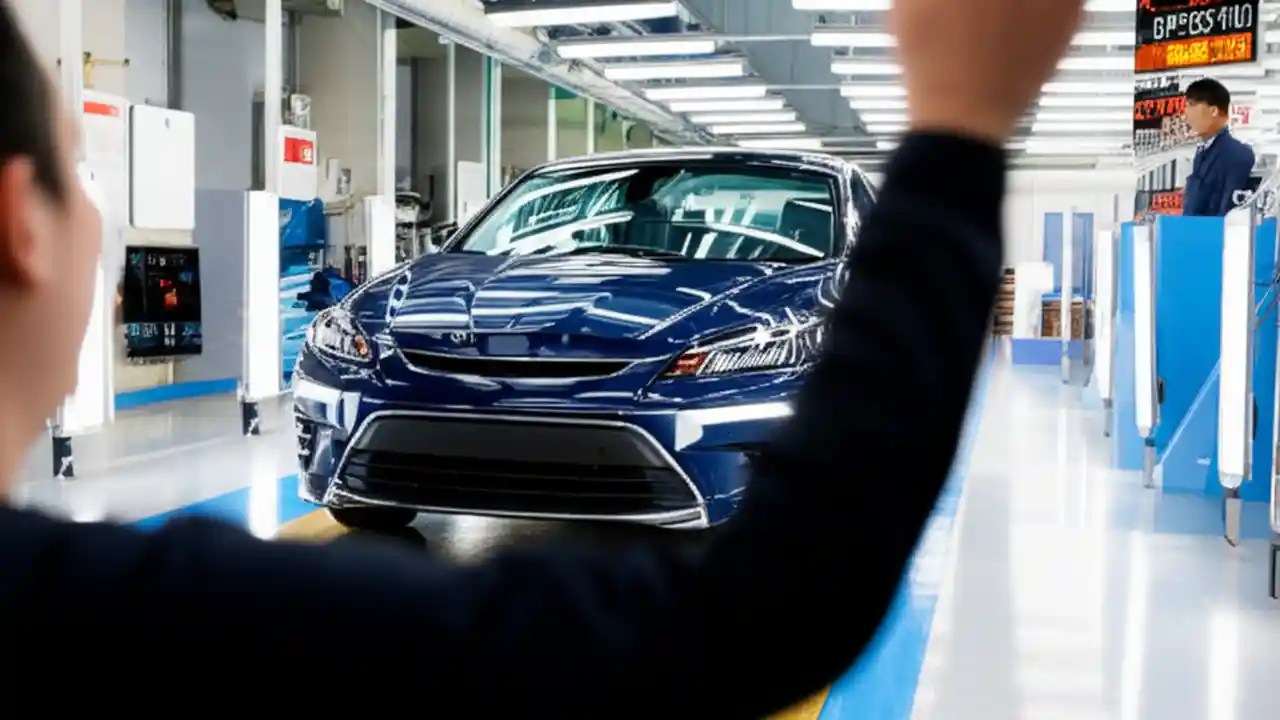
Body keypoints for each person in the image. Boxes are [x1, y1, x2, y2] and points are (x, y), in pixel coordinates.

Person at [0, 0, 1085, 712]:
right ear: (23, 224)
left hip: (680, 372)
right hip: (413, 373)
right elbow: (761, 627)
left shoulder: (81, 601)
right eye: (82, 167)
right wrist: (963, 123)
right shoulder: (143, 612)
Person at [1182, 78, 1256, 217]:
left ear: (1214, 111)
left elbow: (1228, 213)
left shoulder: (1236, 154)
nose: (1186, 114)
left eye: (1191, 105)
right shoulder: (1201, 153)